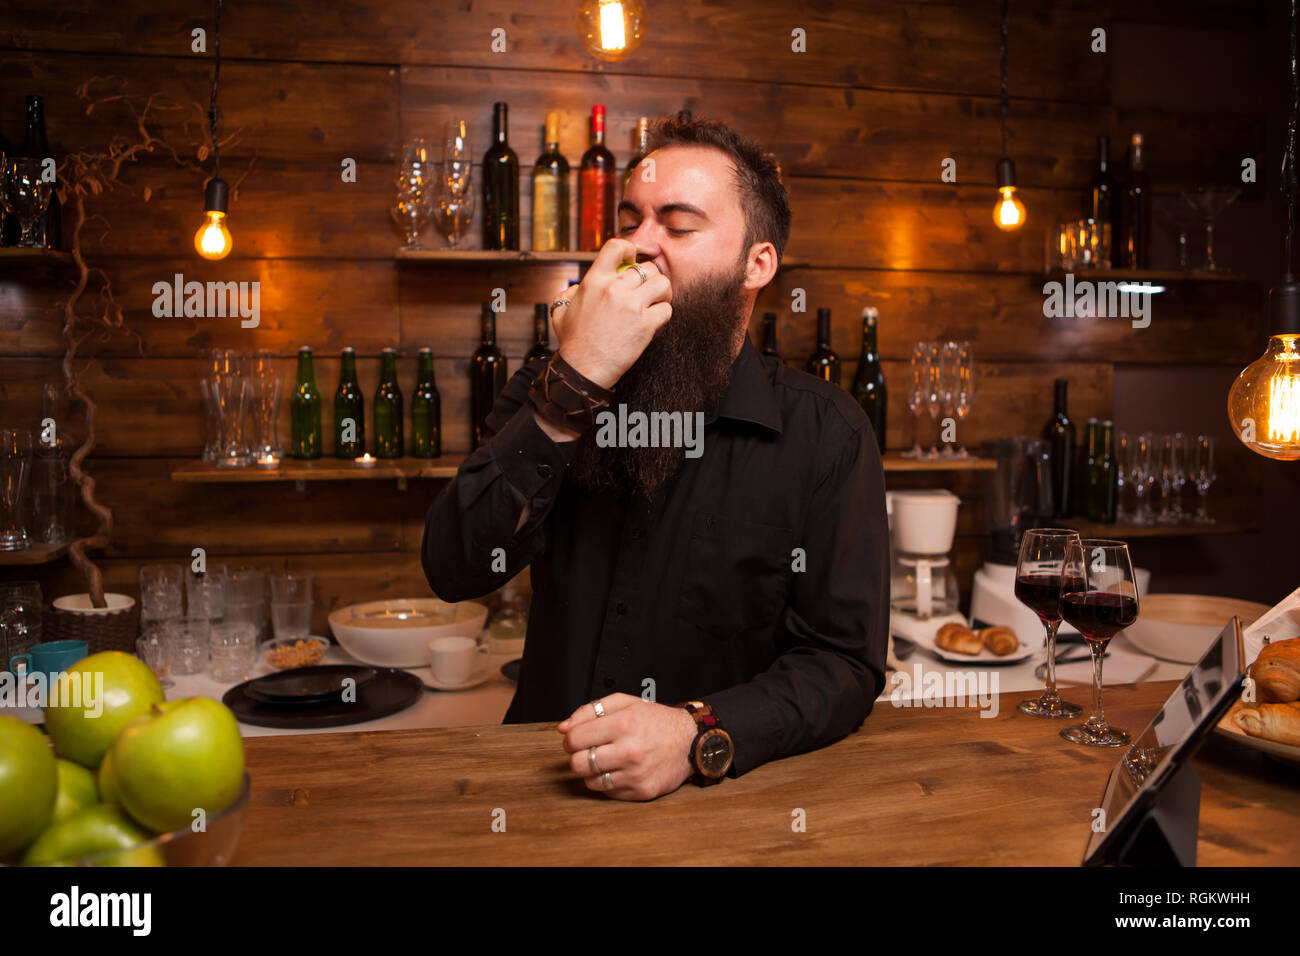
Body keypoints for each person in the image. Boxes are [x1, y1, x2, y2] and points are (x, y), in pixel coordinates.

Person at [422, 115, 888, 801]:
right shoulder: (551, 387)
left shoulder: (827, 435)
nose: (638, 245)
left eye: (678, 225)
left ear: (756, 264)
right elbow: (455, 567)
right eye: (628, 220)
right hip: (540, 790)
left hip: (725, 804)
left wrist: (697, 732)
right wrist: (575, 382)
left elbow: (843, 664)